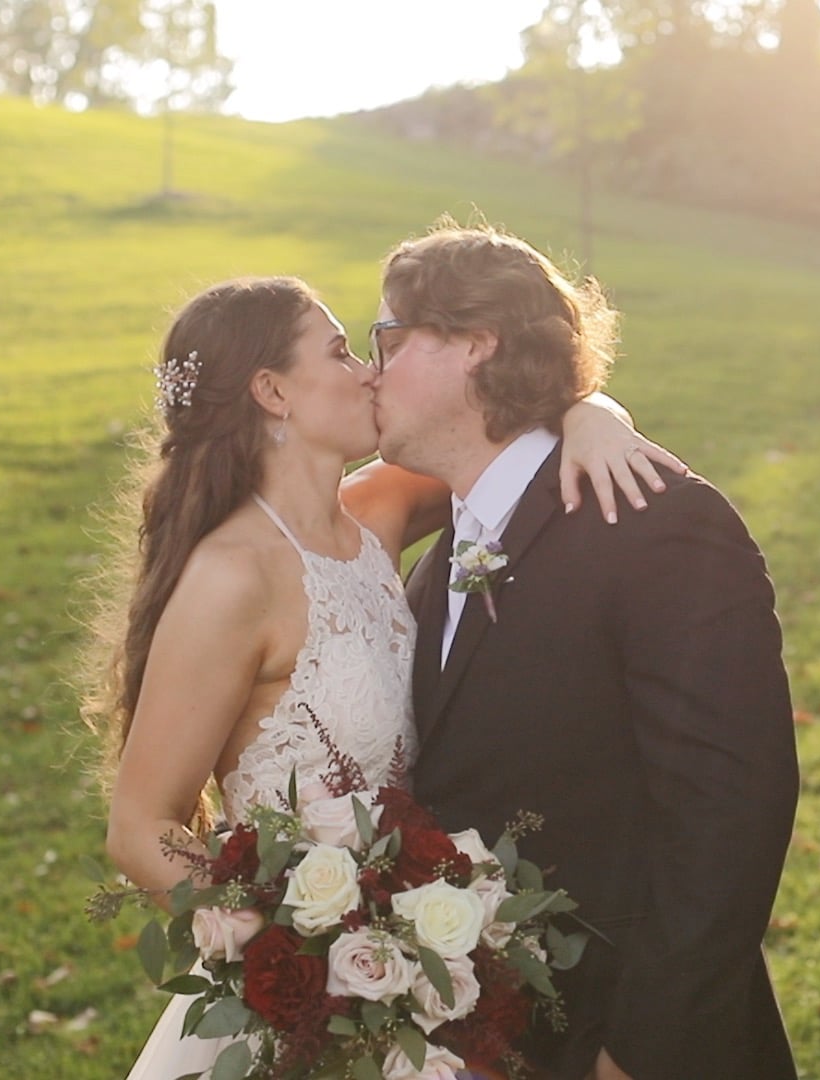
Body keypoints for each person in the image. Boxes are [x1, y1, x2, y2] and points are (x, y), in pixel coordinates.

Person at [77, 275, 682, 1077]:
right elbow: (140, 827)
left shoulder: (374, 516)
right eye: (339, 350)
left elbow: (498, 444)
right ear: (272, 391)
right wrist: (299, 964)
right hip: (317, 999)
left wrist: (593, 415)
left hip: (429, 955)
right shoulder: (231, 577)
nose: (369, 370)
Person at [378, 223, 801, 1080]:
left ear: (475, 344)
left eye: (388, 338)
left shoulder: (657, 524)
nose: (370, 368)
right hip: (476, 1034)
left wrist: (635, 1053)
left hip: (632, 1036)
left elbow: (731, 813)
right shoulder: (432, 560)